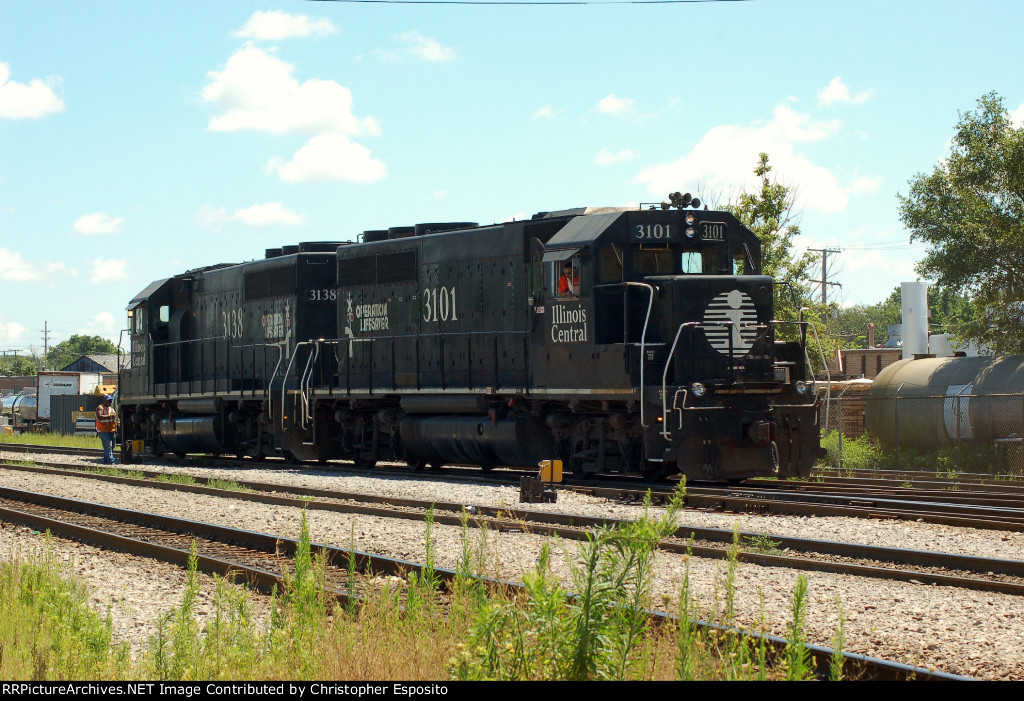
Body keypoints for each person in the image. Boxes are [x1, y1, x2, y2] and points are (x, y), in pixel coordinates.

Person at [96, 394, 117, 465]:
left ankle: (106, 460)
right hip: (103, 430)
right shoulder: (100, 407)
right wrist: (109, 416)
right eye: (109, 401)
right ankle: (111, 461)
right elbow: (99, 417)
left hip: (111, 430)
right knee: (108, 446)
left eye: (111, 401)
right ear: (104, 401)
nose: (110, 402)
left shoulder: (111, 409)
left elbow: (114, 420)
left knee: (112, 446)